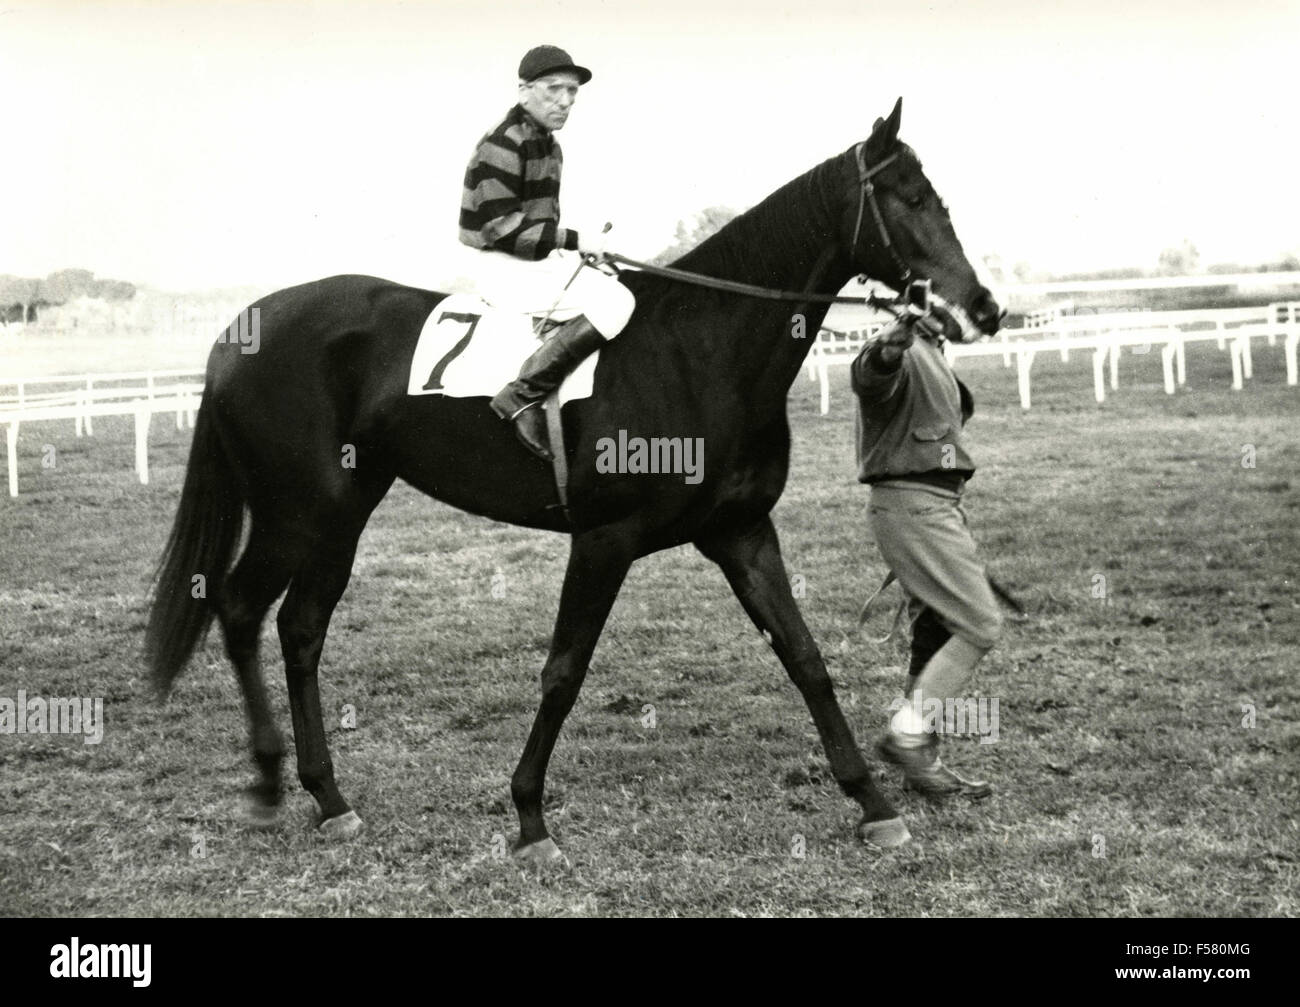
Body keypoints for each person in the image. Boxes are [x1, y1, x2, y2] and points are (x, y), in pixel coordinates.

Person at [850, 306, 1002, 798]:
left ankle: (922, 762)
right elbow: (871, 375)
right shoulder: (904, 346)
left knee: (936, 626)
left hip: (934, 504)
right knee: (979, 625)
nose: (973, 317)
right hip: (914, 506)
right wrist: (887, 349)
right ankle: (908, 735)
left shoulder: (933, 349)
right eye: (964, 307)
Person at [459, 44, 635, 460]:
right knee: (617, 303)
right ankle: (521, 395)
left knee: (618, 283)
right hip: (504, 266)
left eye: (572, 92)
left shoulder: (549, 145)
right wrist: (576, 241)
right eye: (554, 89)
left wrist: (580, 255)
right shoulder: (502, 143)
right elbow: (502, 230)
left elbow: (540, 228)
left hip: (536, 262)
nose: (565, 101)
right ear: (524, 91)